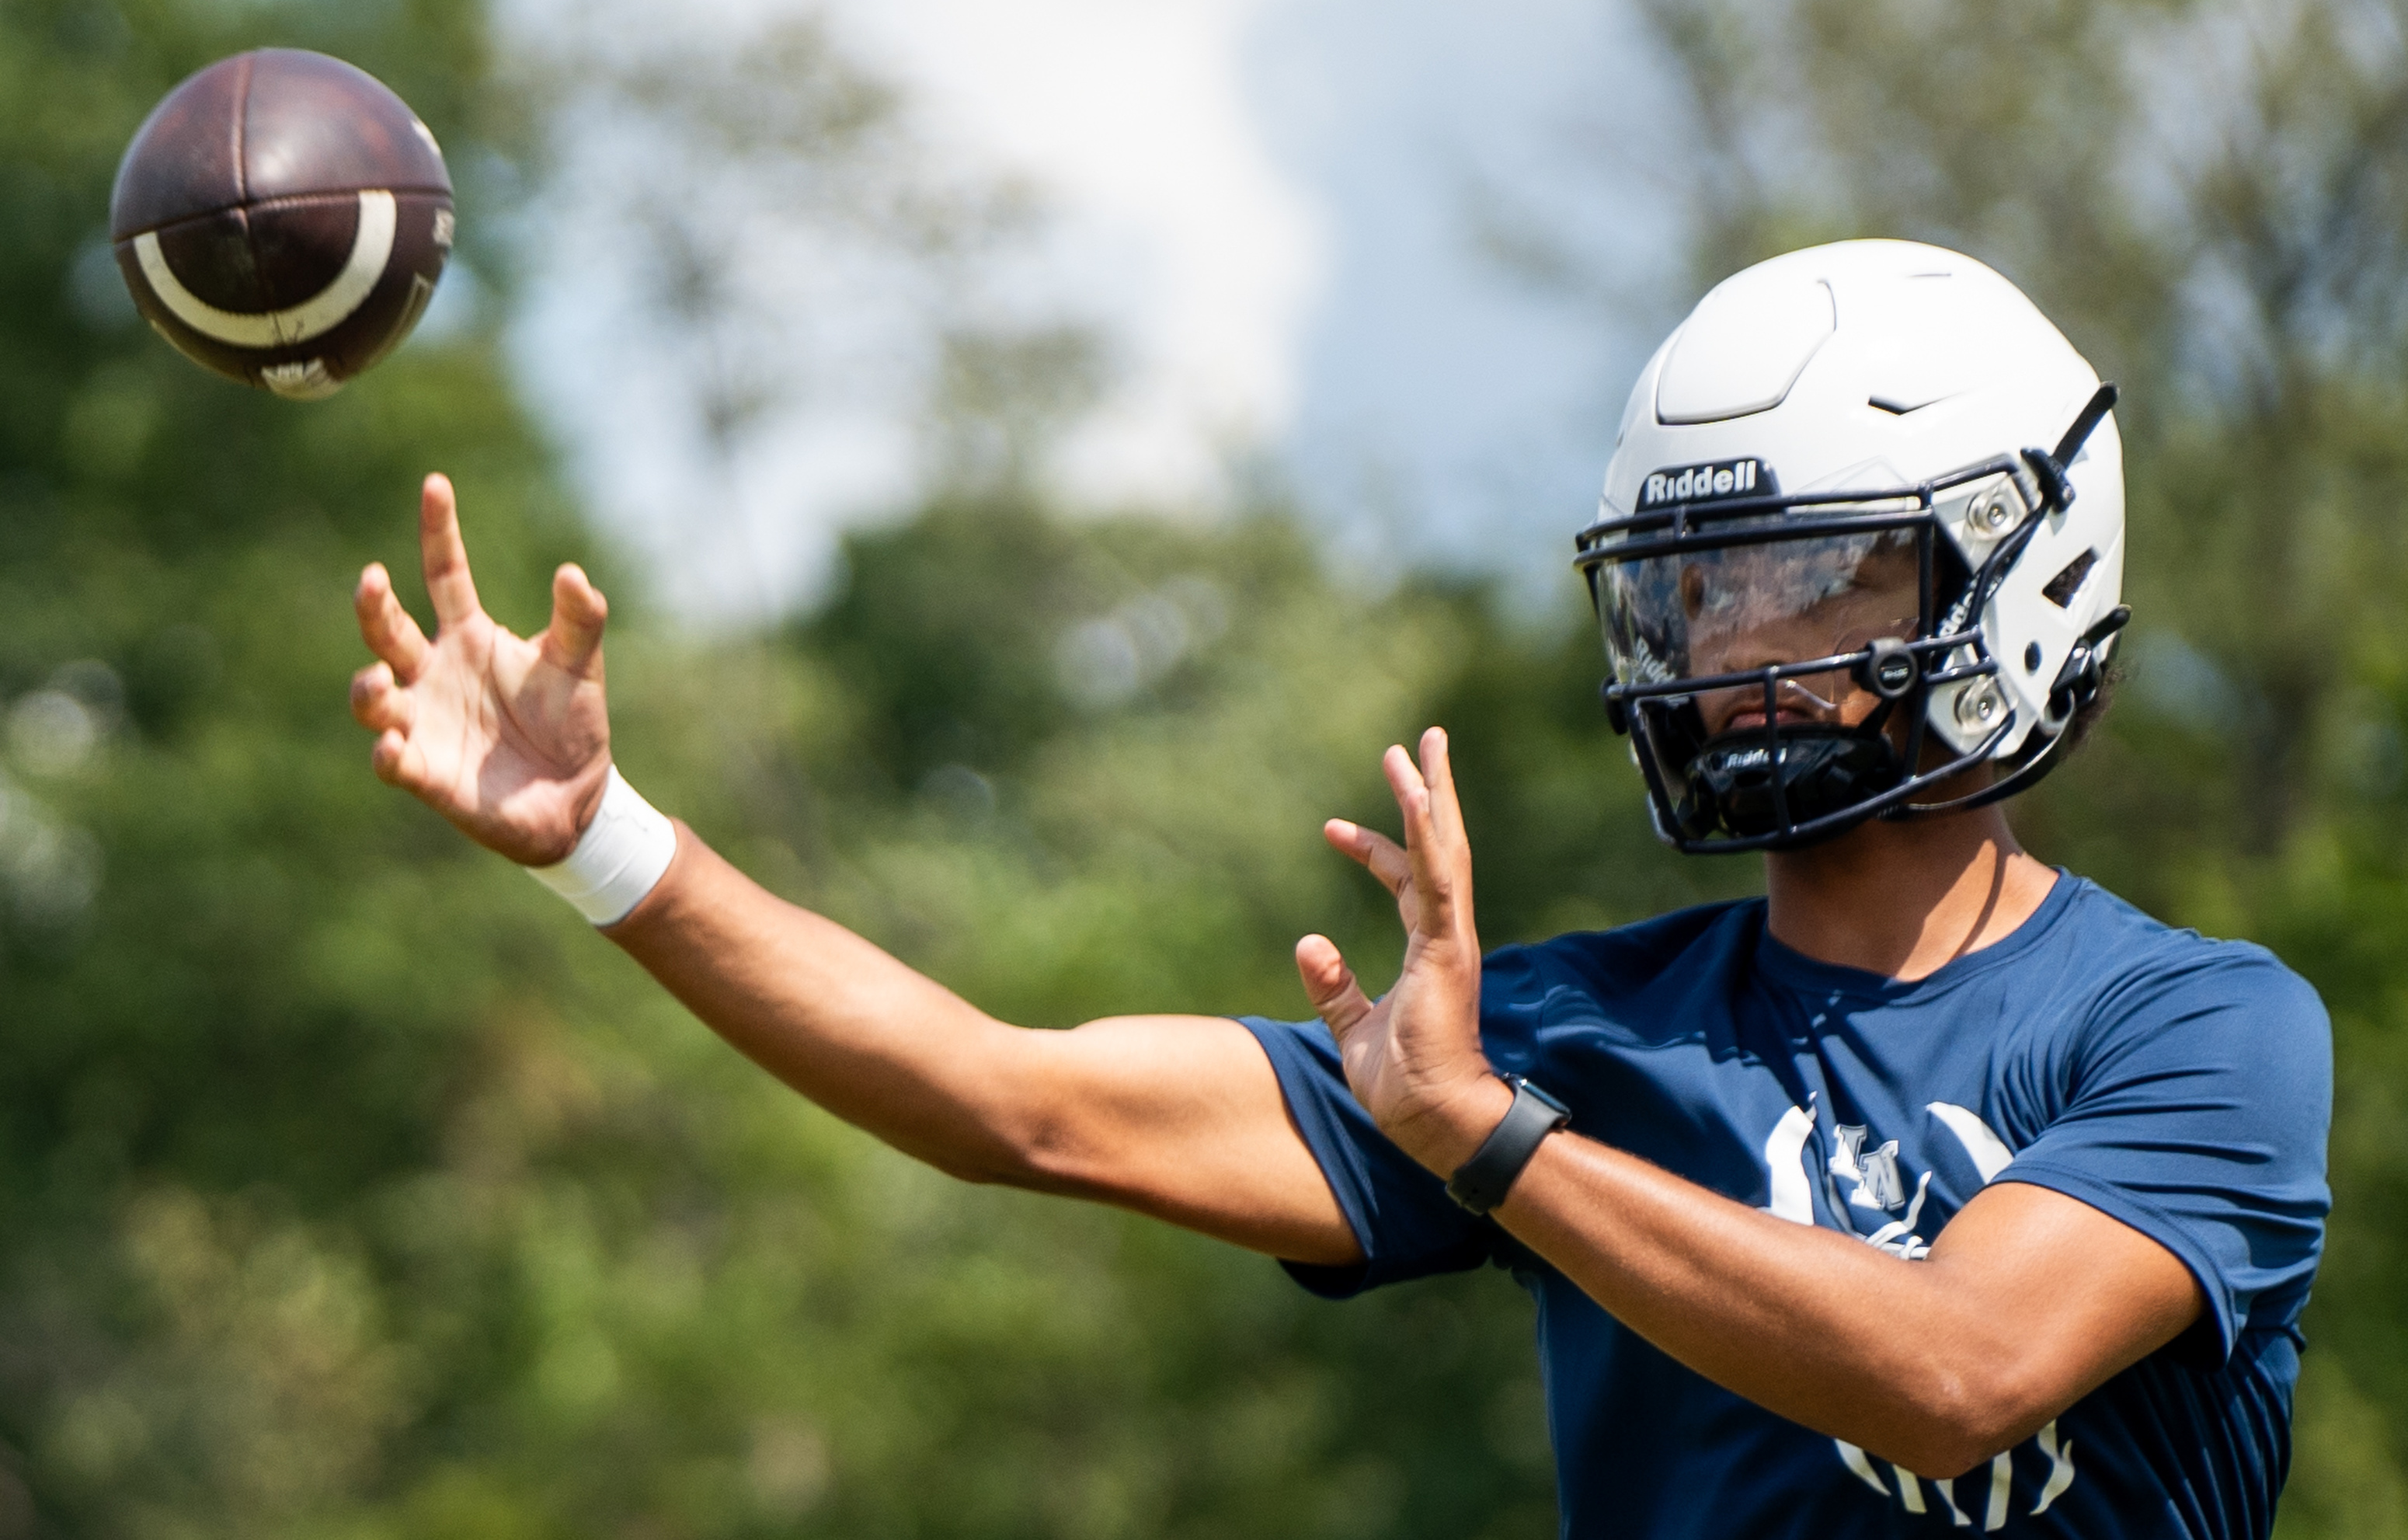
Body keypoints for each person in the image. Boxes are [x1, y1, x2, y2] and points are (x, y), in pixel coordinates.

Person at [348, 239, 2330, 1538]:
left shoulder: (2194, 1022)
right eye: (1695, 586)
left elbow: (1954, 1372)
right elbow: (1005, 1095)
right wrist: (610, 843)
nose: (1729, 645)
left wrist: (1490, 1138)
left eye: (1813, 578)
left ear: (2017, 566)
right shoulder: (1559, 1039)